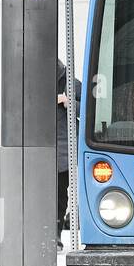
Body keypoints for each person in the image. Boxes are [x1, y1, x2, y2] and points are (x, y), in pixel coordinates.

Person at [56, 60, 81, 245]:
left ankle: (54, 234)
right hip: (41, 148)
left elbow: (92, 106)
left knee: (59, 195)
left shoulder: (70, 83)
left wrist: (68, 102)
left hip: (65, 149)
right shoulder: (34, 81)